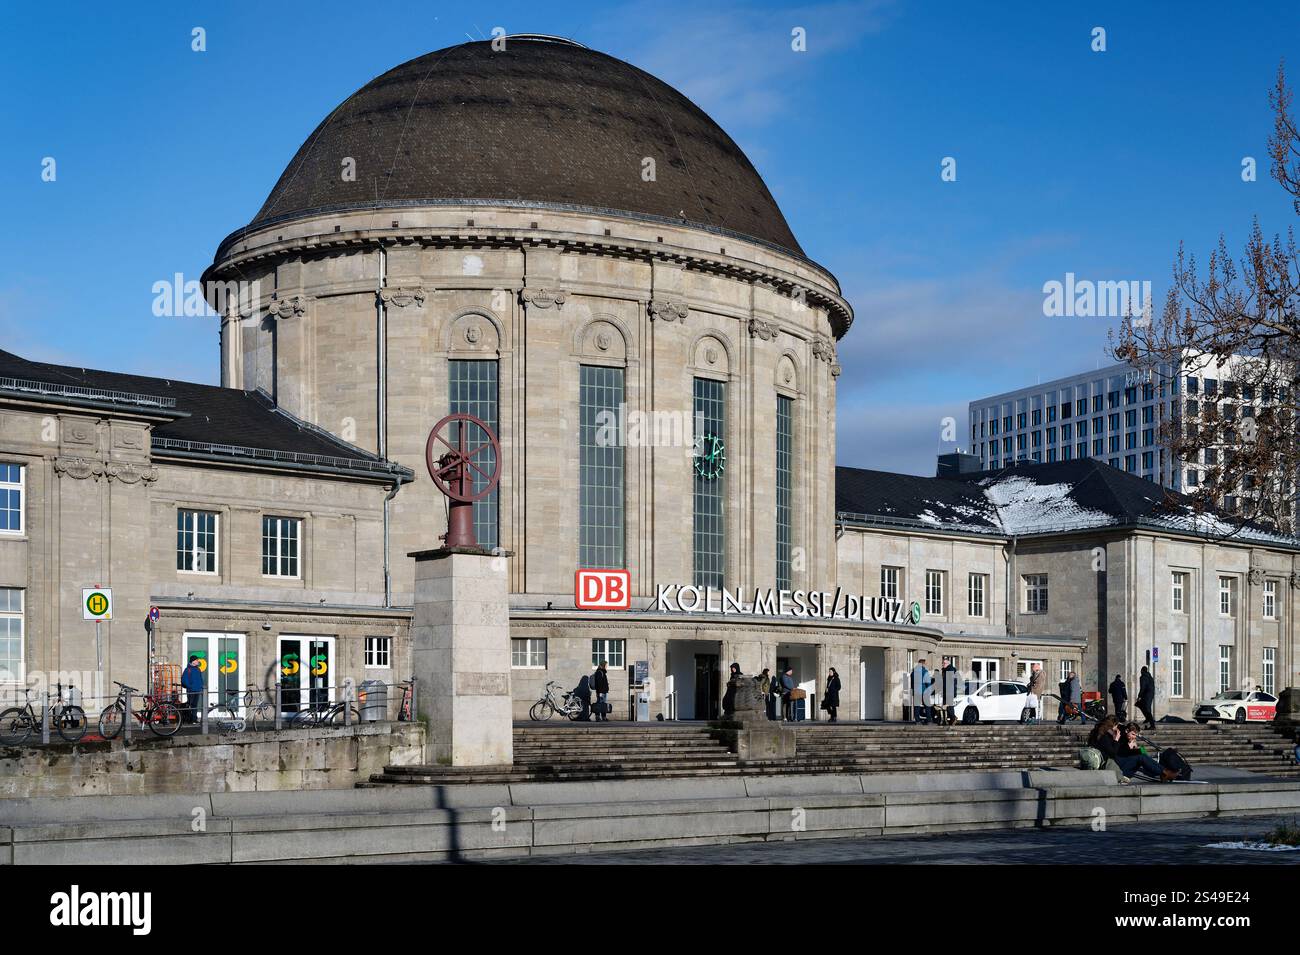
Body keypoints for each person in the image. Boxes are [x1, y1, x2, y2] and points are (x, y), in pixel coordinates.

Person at [1089, 717, 1167, 780]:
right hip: (1116, 765)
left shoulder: (1120, 736)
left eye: (1136, 735)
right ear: (1126, 731)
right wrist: (1119, 741)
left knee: (1142, 754)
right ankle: (1164, 772)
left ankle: (1163, 770)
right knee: (1141, 756)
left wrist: (1137, 749)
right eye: (1133, 734)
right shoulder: (1118, 737)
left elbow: (1128, 752)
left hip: (1119, 761)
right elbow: (1119, 753)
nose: (1134, 737)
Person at [180, 654, 205, 725]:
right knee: (191, 705)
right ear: (193, 661)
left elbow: (200, 679)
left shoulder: (198, 669)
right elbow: (184, 680)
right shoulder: (188, 669)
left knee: (195, 705)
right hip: (191, 690)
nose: (198, 661)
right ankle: (189, 719)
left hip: (197, 690)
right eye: (197, 660)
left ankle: (194, 719)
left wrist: (201, 686)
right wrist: (190, 686)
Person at [939, 656, 959, 725]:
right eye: (942, 663)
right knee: (945, 706)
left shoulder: (950, 670)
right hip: (945, 691)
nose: (943, 664)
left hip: (949, 691)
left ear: (948, 663)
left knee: (949, 706)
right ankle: (949, 719)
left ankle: (953, 718)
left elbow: (951, 683)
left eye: (944, 663)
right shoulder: (945, 670)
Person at [910, 658, 932, 724]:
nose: (925, 665)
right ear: (922, 664)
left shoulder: (913, 672)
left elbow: (912, 683)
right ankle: (928, 720)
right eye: (925, 664)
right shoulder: (925, 671)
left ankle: (917, 720)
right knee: (927, 706)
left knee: (917, 706)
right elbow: (928, 682)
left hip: (916, 691)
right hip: (924, 691)